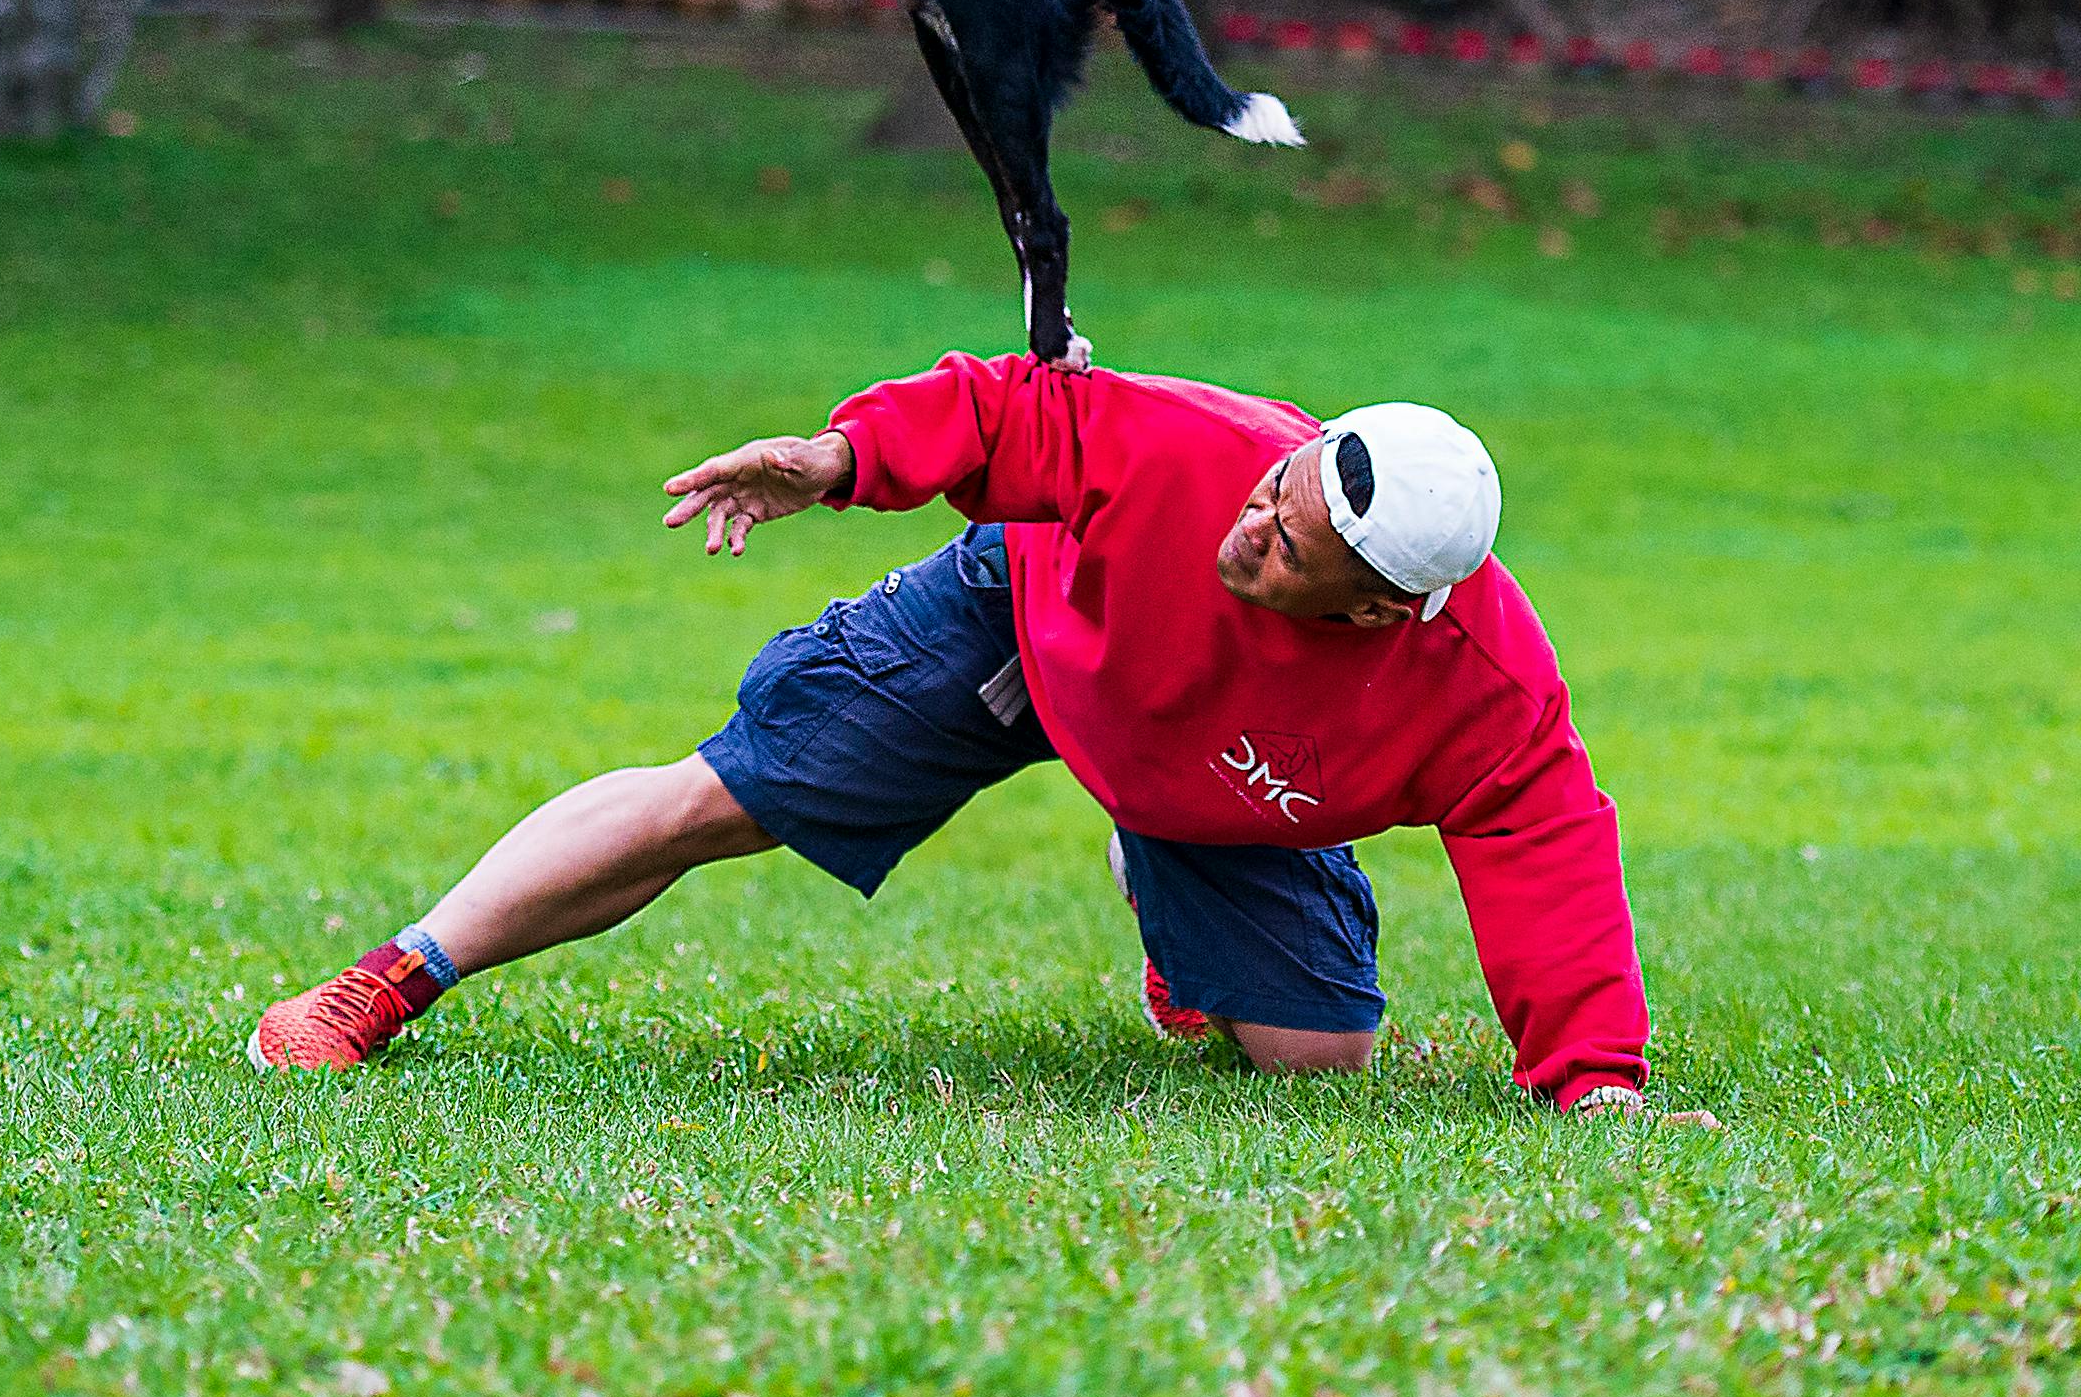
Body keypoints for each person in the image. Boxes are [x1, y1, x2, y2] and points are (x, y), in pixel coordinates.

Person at [252, 351, 1697, 1119]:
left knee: (1317, 1054)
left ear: (1384, 610)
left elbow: (1546, 852)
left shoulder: (1482, 685)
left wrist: (1597, 1085)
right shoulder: (1190, 443)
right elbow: (1011, 411)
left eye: (1289, 545)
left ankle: (1165, 894)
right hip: (1027, 625)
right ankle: (387, 981)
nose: (1253, 523)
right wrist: (840, 459)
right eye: (1274, 491)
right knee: (725, 796)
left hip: (1212, 779)